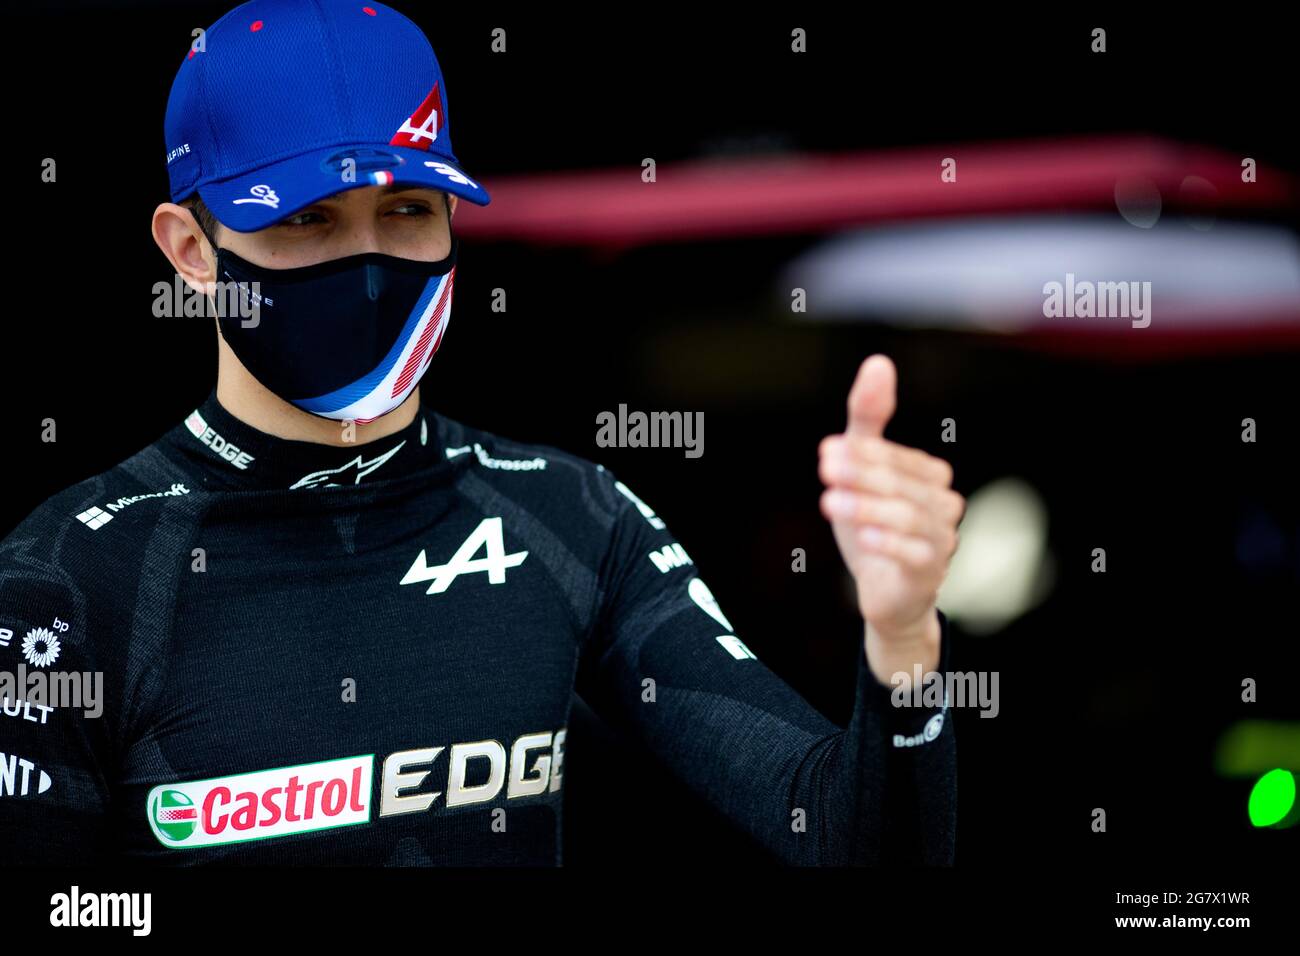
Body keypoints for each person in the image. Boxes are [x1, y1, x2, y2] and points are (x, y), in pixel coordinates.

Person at [0, 0, 964, 865]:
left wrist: (904, 643)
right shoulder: (65, 586)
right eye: (306, 221)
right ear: (189, 251)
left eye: (407, 210)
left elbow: (847, 837)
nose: (370, 266)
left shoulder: (571, 515)